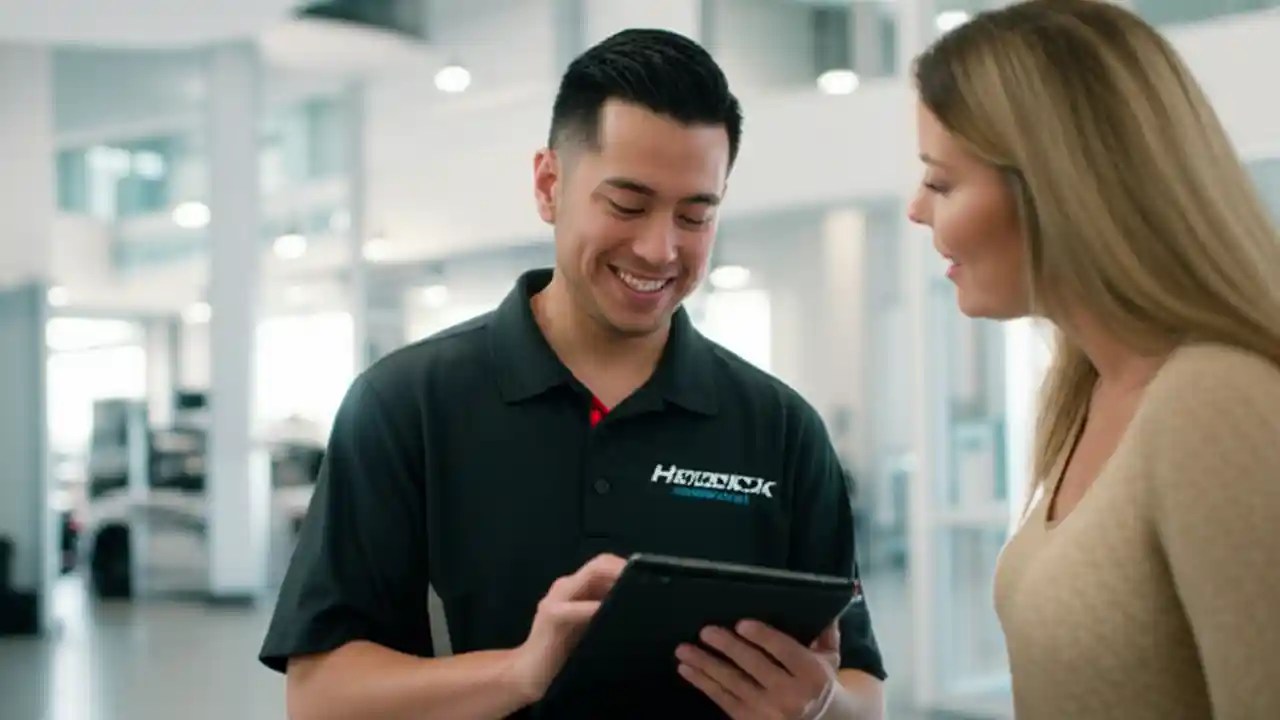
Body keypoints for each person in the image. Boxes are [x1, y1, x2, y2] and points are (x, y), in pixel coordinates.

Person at [260, 28, 887, 720]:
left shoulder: (780, 429)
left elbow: (862, 689)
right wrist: (520, 673)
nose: (659, 248)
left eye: (695, 214)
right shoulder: (407, 406)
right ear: (549, 184)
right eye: (627, 206)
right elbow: (319, 697)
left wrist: (821, 707)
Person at [907, 1, 1280, 718]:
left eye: (943, 181)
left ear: (1053, 187)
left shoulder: (1214, 401)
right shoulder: (1093, 390)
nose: (917, 210)